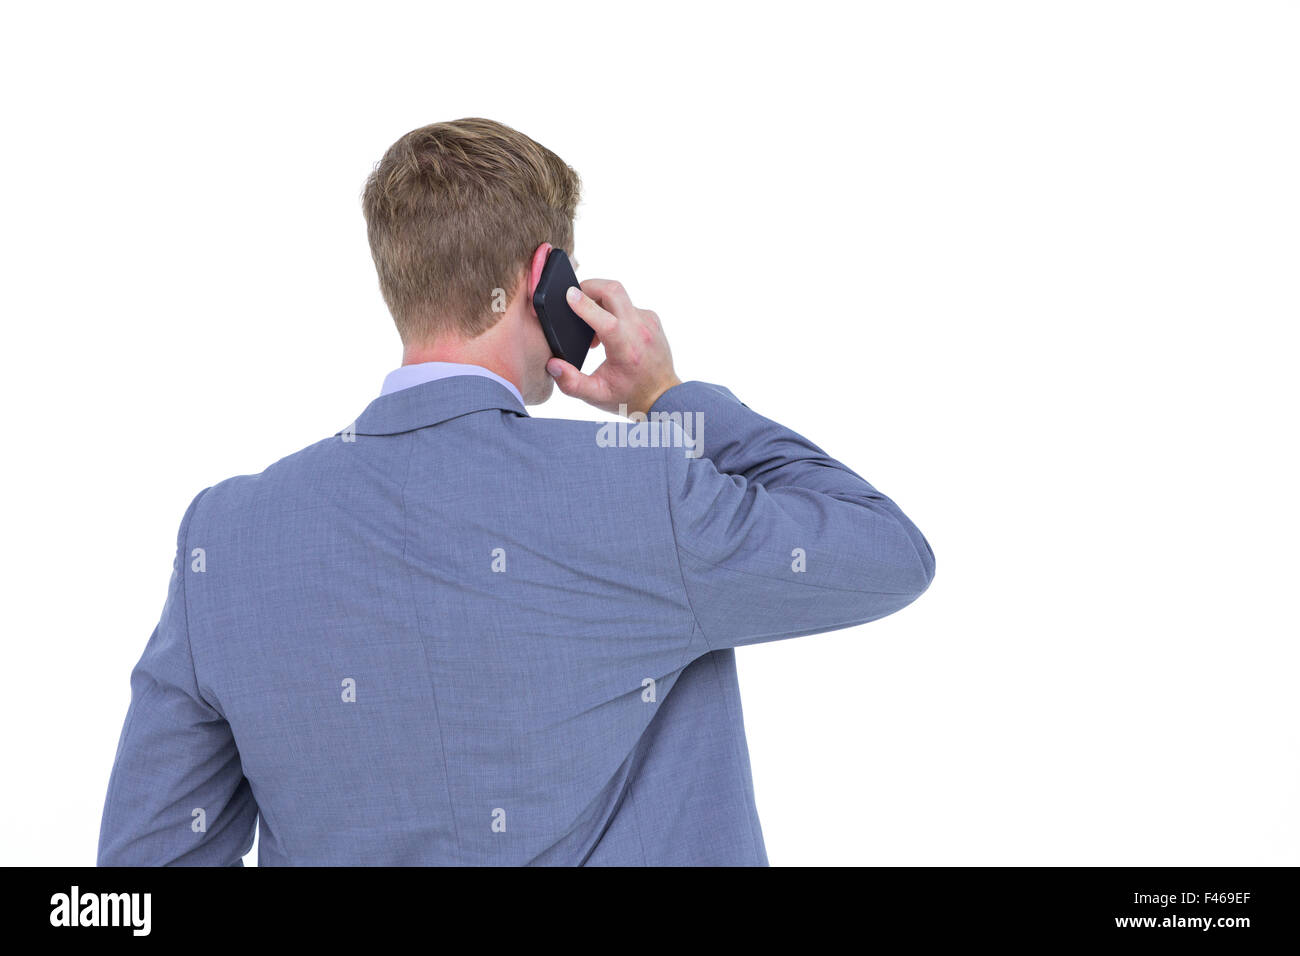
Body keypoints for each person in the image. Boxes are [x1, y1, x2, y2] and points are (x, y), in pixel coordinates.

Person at [97, 118, 935, 866]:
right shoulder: (642, 488)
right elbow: (885, 550)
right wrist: (666, 397)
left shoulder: (228, 538)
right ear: (546, 277)